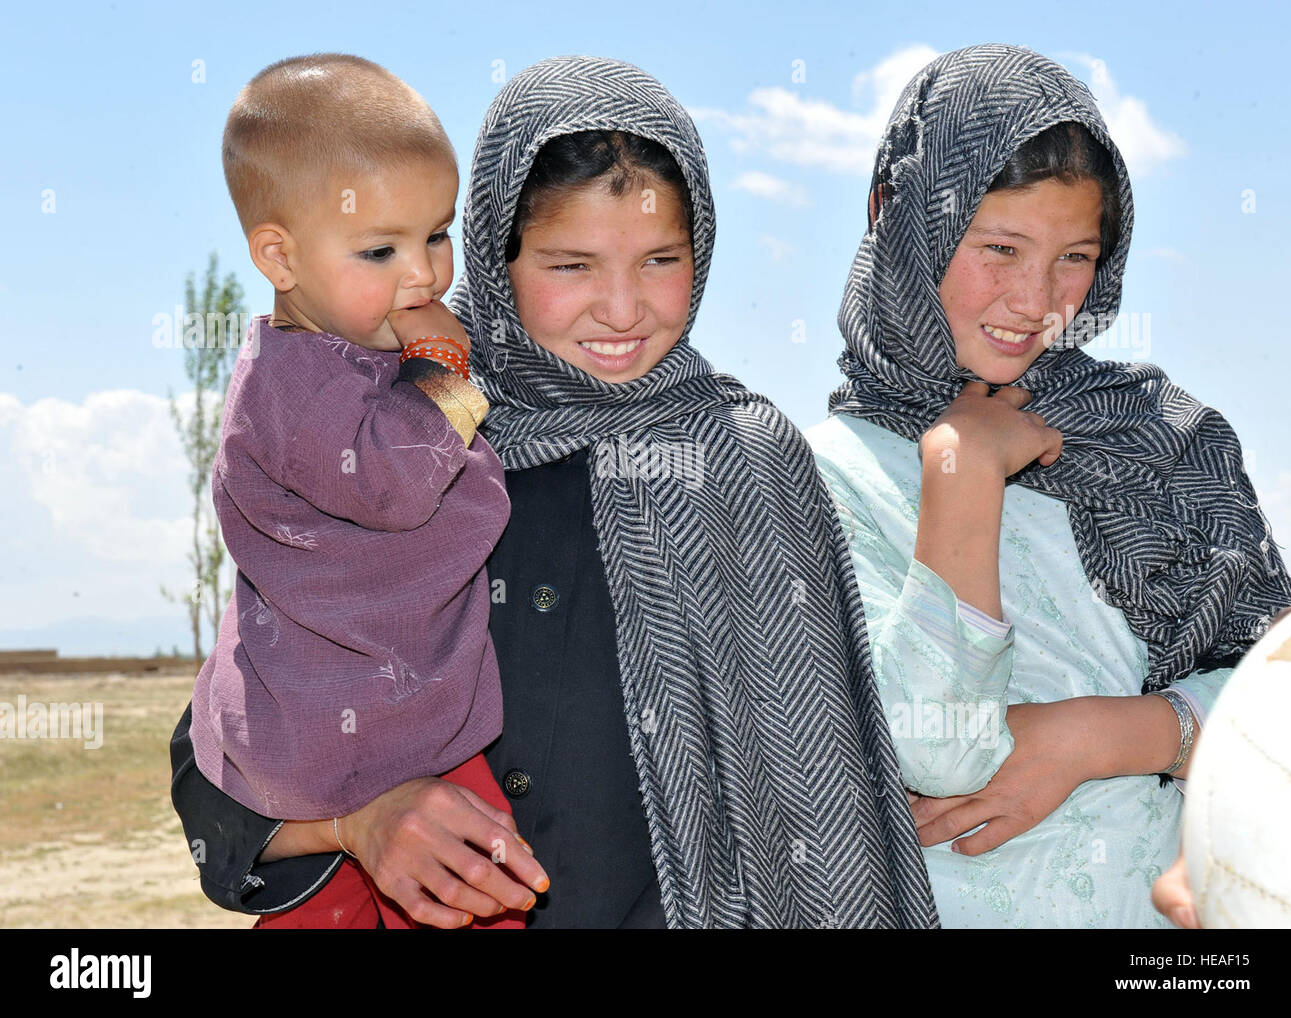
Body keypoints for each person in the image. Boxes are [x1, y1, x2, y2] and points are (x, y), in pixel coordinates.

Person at [171, 54, 939, 930]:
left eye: (660, 259)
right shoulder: (404, 437)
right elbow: (218, 758)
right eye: (571, 265)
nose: (621, 309)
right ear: (498, 256)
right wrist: (359, 822)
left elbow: (825, 783)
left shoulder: (749, 461)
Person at [807, 43, 1291, 927]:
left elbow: (1286, 696)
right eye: (999, 247)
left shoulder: (1158, 437)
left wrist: (1105, 735)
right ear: (894, 214)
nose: (1036, 300)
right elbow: (941, 754)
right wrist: (961, 472)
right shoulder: (811, 480)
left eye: (1075, 256)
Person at [183, 53, 546, 929]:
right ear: (279, 255)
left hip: (398, 725)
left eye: (437, 233)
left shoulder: (364, 359)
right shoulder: (290, 382)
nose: (423, 275)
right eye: (380, 249)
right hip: (342, 747)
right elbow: (395, 481)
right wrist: (451, 376)